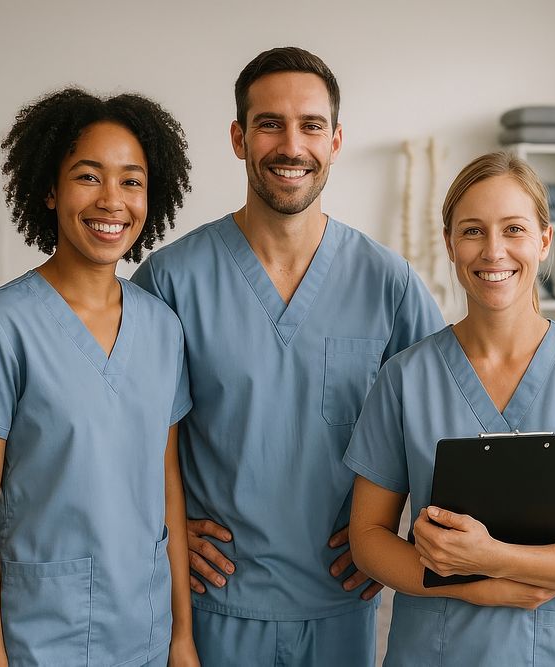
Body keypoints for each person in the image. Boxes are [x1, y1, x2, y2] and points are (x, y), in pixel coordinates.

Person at [131, 46, 443, 665]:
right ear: (238, 137)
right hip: (214, 598)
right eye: (269, 123)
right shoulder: (171, 281)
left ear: (335, 140)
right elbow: (126, 434)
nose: (290, 144)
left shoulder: (388, 282)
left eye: (311, 125)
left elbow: (441, 422)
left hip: (340, 601)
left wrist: (400, 541)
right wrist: (160, 536)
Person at [344, 151, 555, 666]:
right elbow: (368, 538)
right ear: (450, 243)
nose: (494, 251)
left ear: (544, 239)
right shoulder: (405, 378)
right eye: (473, 231)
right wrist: (468, 589)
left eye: (513, 229)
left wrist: (494, 559)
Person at [0, 88, 196, 666]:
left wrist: (181, 636)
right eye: (88, 176)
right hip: (35, 639)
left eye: (131, 181)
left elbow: (167, 487)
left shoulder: (162, 328)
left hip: (144, 631)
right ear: (50, 190)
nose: (112, 201)